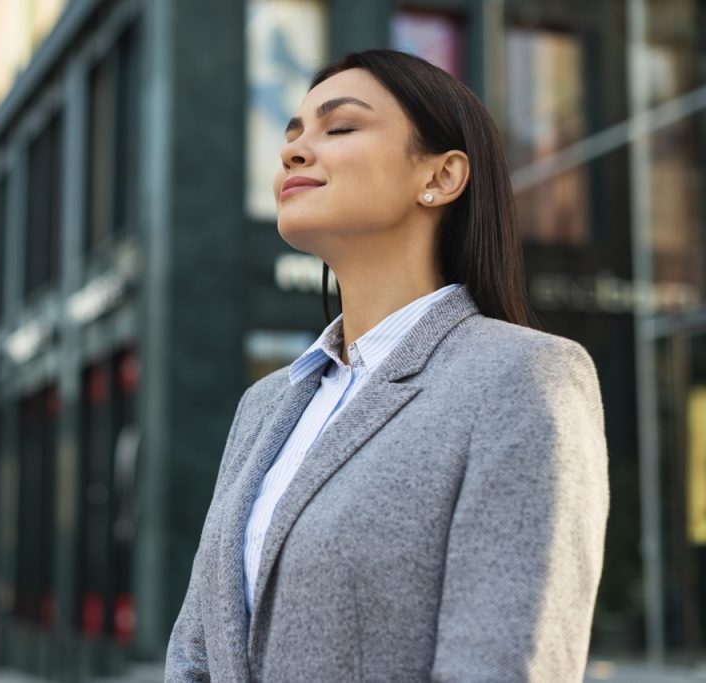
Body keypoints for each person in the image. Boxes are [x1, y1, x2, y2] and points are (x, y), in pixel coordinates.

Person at [165, 49, 609, 682]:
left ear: (442, 177)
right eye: (292, 135)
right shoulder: (266, 405)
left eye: (339, 127)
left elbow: (501, 667)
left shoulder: (525, 378)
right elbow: (195, 654)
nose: (293, 151)